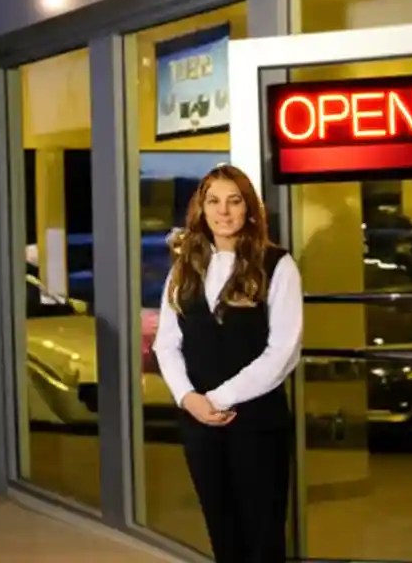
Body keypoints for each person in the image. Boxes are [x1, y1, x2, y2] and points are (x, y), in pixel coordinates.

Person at [151, 163, 303, 563]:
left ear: (249, 209)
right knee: (222, 532)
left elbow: (283, 351)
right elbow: (167, 344)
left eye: (233, 201)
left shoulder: (277, 265)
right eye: (213, 201)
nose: (223, 211)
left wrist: (218, 398)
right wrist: (188, 399)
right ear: (201, 210)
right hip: (198, 422)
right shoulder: (183, 268)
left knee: (262, 536)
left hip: (257, 423)